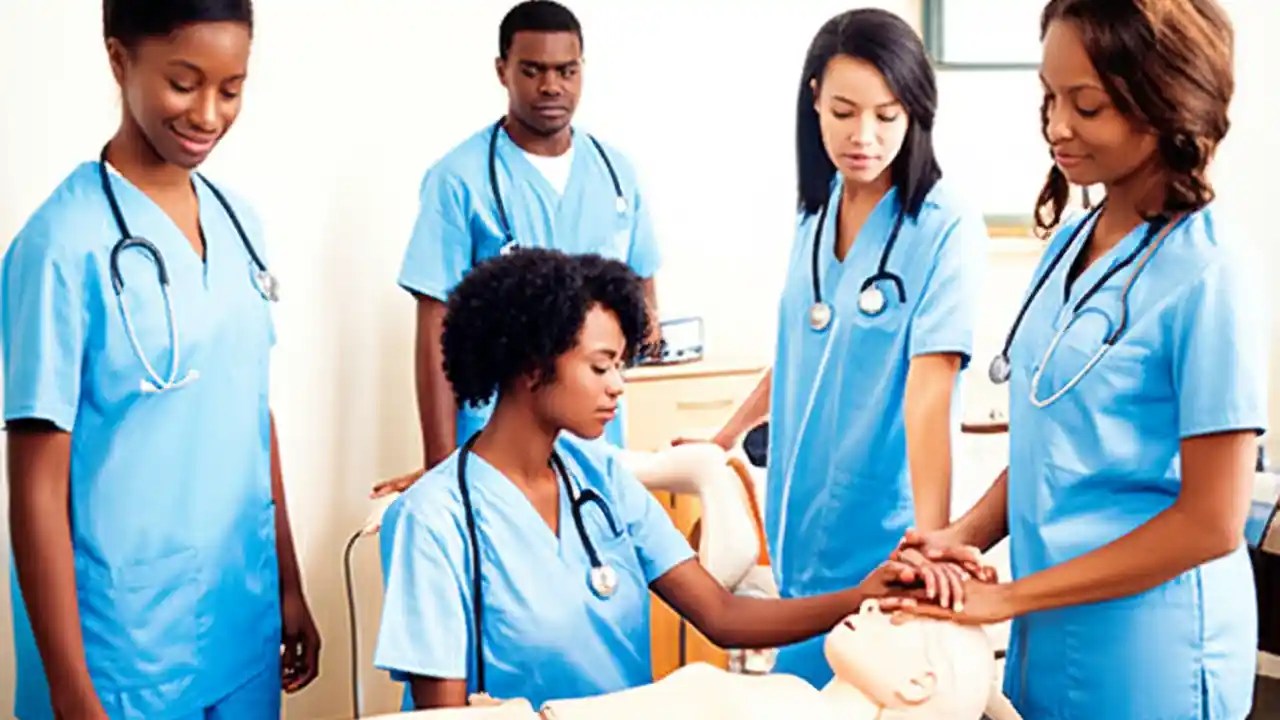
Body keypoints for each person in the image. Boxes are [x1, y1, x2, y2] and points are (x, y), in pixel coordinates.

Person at [371, 248, 958, 711]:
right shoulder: (434, 519)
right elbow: (441, 716)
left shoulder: (601, 480)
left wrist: (862, 596)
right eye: (600, 367)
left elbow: (722, 617)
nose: (618, 386)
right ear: (532, 364)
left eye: (620, 366)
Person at [890, 1, 1268, 717]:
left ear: (1165, 102)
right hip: (1052, 625)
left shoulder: (1211, 272)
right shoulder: (1074, 241)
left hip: (1153, 656)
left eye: (1086, 105)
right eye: (1050, 98)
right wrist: (960, 537)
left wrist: (1003, 597)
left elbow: (1212, 521)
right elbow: (1053, 439)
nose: (1058, 127)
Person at [2, 1, 320, 717]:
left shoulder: (241, 224)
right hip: (120, 650)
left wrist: (287, 584)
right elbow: (33, 487)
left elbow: (249, 414)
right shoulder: (59, 246)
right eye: (183, 83)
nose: (208, 113)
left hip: (241, 620)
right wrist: (70, 689)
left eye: (231, 88)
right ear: (120, 61)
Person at [678, 8, 988, 687]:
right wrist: (724, 436)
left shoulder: (944, 224)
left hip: (884, 535)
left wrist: (930, 544)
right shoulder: (814, 213)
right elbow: (802, 351)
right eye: (844, 111)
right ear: (813, 95)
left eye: (886, 115)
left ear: (916, 113)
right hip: (800, 530)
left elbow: (930, 388)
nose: (863, 136)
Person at [372, 0, 663, 498]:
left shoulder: (617, 175)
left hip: (596, 442)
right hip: (497, 437)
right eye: (532, 70)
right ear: (502, 70)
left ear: (581, 72)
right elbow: (434, 326)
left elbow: (645, 302)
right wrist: (442, 470)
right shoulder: (459, 180)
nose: (551, 86)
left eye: (566, 71)